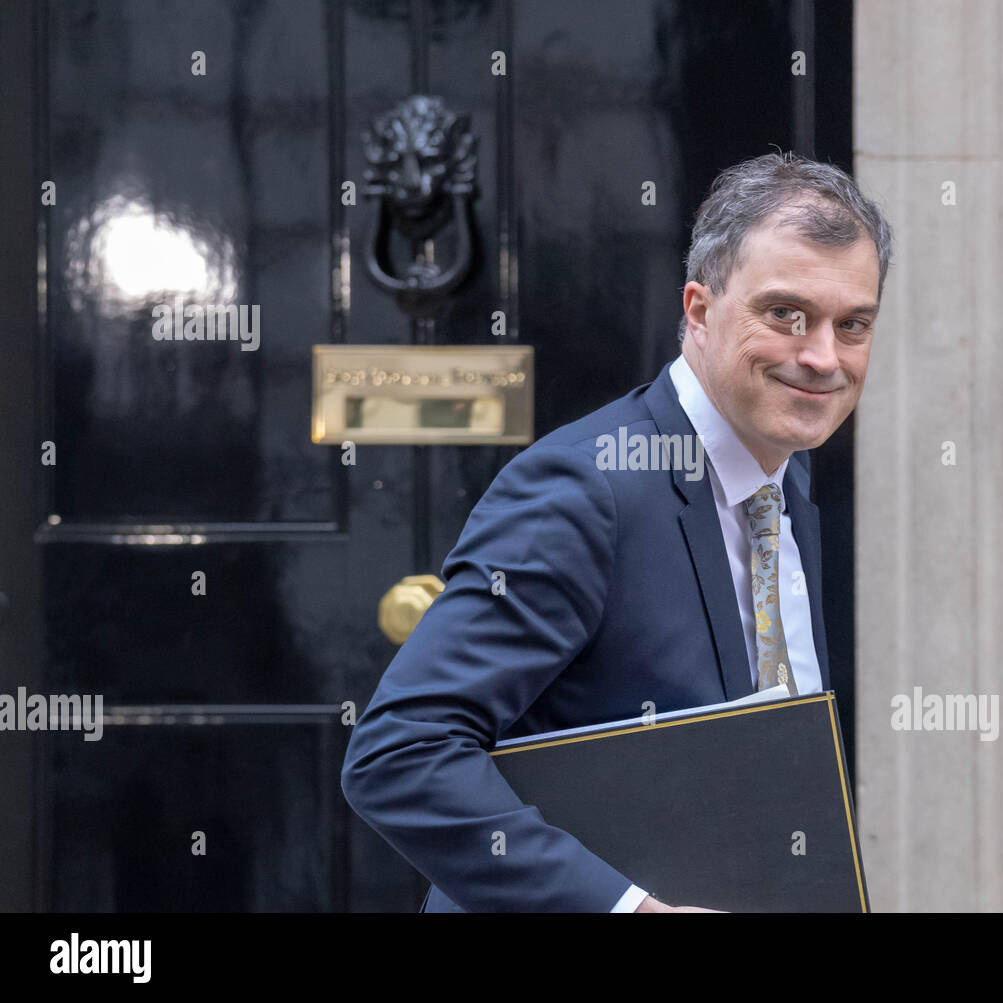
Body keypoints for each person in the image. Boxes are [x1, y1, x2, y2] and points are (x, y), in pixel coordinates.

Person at [340, 150, 892, 912]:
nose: (823, 356)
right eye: (785, 315)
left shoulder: (788, 480)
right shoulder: (582, 489)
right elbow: (399, 754)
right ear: (699, 309)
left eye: (853, 324)